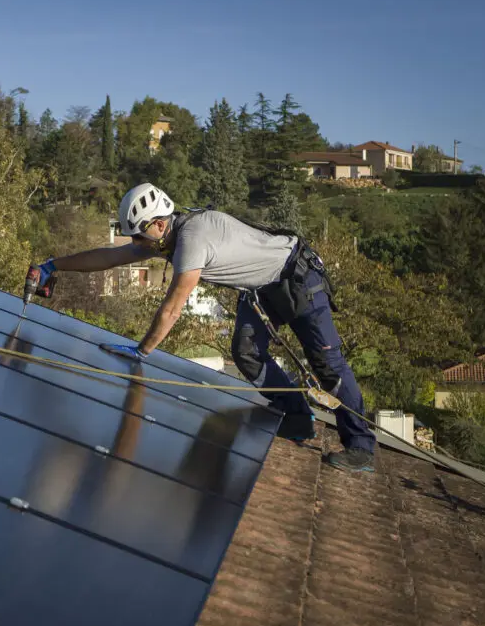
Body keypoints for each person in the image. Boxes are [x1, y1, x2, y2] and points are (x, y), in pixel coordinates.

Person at [30, 182, 377, 472]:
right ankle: (297, 418)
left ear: (159, 225)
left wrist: (142, 350)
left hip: (299, 278)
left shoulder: (192, 239)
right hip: (263, 287)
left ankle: (361, 445)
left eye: (139, 237)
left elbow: (173, 306)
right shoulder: (166, 236)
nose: (137, 245)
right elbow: (108, 257)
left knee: (328, 366)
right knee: (246, 352)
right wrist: (52, 265)